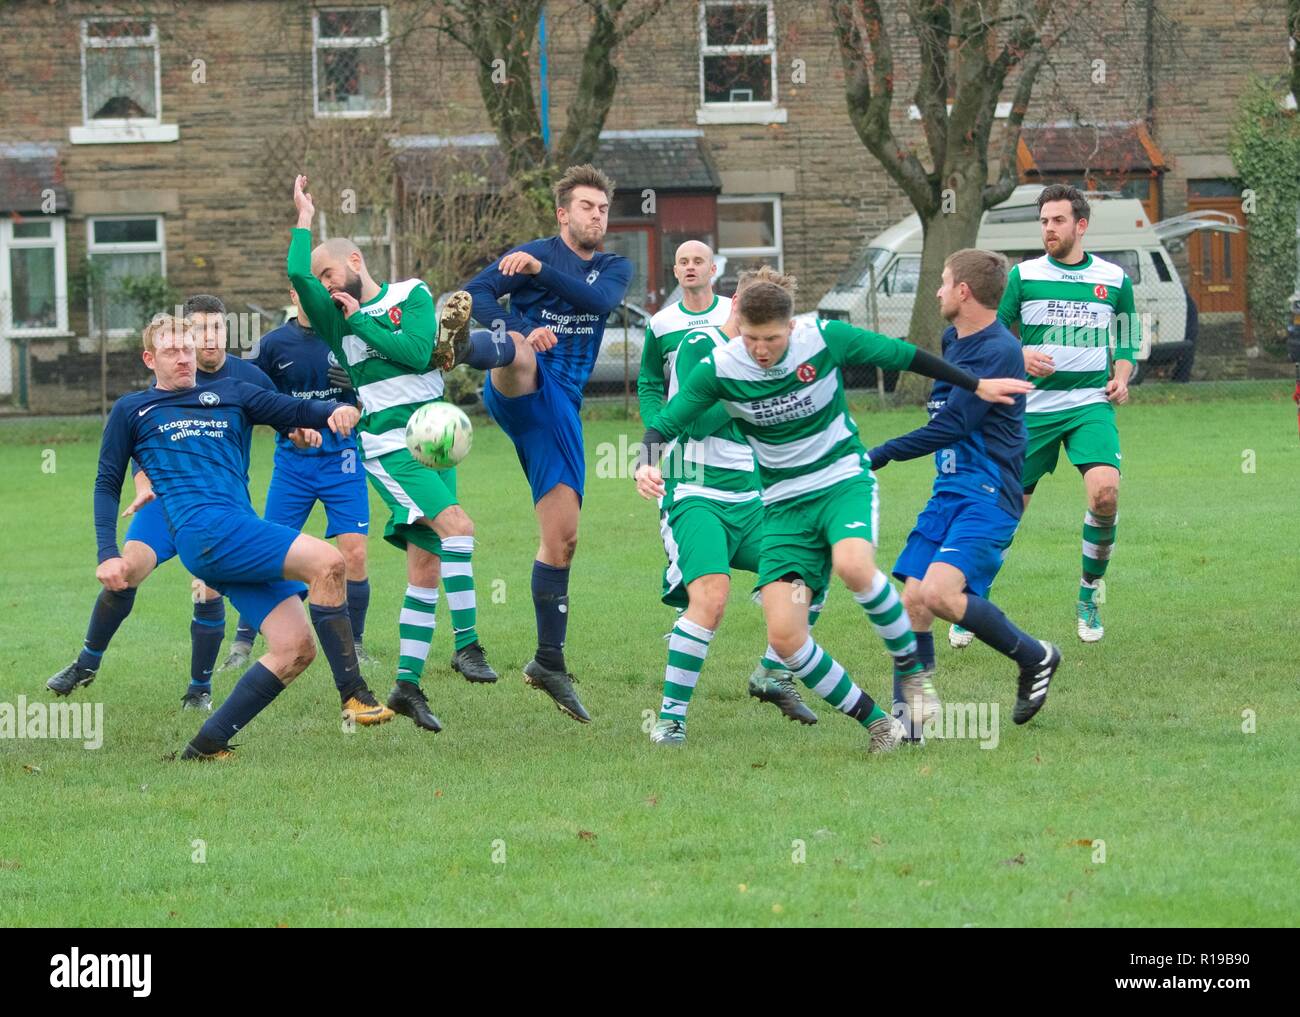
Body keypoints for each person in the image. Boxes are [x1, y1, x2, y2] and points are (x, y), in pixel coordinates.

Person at [635, 281, 1033, 754]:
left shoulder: (823, 337)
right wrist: (645, 461)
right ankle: (878, 722)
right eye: (751, 338)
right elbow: (667, 422)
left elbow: (903, 355)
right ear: (738, 326)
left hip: (841, 482)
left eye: (772, 339)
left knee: (852, 566)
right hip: (783, 505)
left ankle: (910, 666)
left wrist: (976, 384)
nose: (761, 350)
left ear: (791, 327)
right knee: (785, 639)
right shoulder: (720, 366)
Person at [91, 314, 391, 760]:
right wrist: (108, 552)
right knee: (329, 562)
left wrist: (334, 410)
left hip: (233, 529)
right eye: (171, 351)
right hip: (203, 531)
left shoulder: (230, 393)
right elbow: (106, 482)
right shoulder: (133, 409)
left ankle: (207, 743)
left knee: (295, 648)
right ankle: (355, 693)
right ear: (149, 358)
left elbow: (290, 408)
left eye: (188, 349)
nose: (183, 358)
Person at [287, 175, 496, 734]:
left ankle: (406, 684)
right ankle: (468, 645)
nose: (326, 285)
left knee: (425, 565)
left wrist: (363, 319)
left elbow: (414, 353)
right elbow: (295, 274)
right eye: (322, 279)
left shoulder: (413, 294)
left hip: (437, 436)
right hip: (389, 444)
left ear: (355, 260)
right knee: (458, 528)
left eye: (331, 273)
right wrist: (304, 219)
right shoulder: (336, 317)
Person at [451, 164, 632, 723]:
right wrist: (513, 326)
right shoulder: (534, 252)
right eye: (585, 207)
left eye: (602, 208)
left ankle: (548, 661)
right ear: (562, 213)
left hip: (563, 407)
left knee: (563, 540)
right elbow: (476, 289)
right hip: (520, 380)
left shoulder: (612, 266)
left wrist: (537, 273)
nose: (596, 216)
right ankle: (453, 349)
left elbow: (597, 304)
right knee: (522, 349)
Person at [47, 294, 279, 712]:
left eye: (215, 329)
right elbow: (140, 444)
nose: (205, 340)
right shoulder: (161, 385)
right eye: (197, 332)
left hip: (218, 506)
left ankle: (198, 690)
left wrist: (307, 427)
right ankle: (87, 662)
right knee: (125, 572)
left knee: (207, 590)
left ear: (226, 331)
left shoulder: (246, 380)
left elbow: (283, 413)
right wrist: (141, 481)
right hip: (163, 503)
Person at [868, 249, 1062, 733]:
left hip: (988, 492)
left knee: (937, 592)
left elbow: (953, 424)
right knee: (913, 599)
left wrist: (878, 454)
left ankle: (1035, 656)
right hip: (949, 490)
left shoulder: (999, 350)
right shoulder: (954, 339)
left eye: (943, 280)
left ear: (964, 291)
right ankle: (910, 723)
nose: (936, 290)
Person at [638, 254, 816, 745]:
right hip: (694, 490)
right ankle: (671, 720)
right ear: (734, 305)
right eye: (751, 322)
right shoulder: (701, 344)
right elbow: (692, 420)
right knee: (712, 597)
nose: (759, 338)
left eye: (770, 328)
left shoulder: (775, 357)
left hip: (753, 497)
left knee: (808, 574)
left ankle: (771, 674)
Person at [951, 183, 1134, 648]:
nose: (1049, 229)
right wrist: (1022, 351)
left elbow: (1128, 338)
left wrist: (1123, 373)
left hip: (1089, 405)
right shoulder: (1024, 275)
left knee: (1106, 495)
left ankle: (1089, 594)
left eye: (1057, 220)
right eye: (1044, 221)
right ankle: (974, 597)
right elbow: (992, 329)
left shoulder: (1115, 280)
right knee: (1007, 515)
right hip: (1031, 412)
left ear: (1081, 225)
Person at [222, 286, 373, 670]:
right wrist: (290, 428)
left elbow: (374, 397)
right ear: (294, 291)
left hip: (343, 460)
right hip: (293, 464)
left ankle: (354, 644)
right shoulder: (272, 345)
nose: (316, 295)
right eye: (308, 287)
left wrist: (355, 393)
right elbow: (248, 394)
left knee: (353, 553)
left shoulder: (353, 336)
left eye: (325, 288)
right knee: (268, 554)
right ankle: (242, 643)